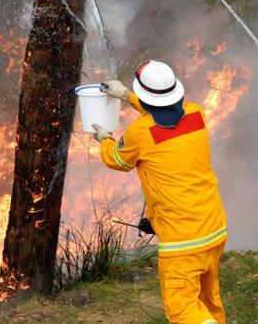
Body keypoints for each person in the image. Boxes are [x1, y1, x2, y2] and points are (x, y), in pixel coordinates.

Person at [93, 60, 227, 324]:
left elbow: (117, 161)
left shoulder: (140, 132)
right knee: (207, 299)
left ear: (144, 94)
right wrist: (124, 96)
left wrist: (104, 140)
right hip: (214, 228)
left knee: (182, 310)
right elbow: (165, 113)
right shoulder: (197, 114)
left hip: (183, 241)